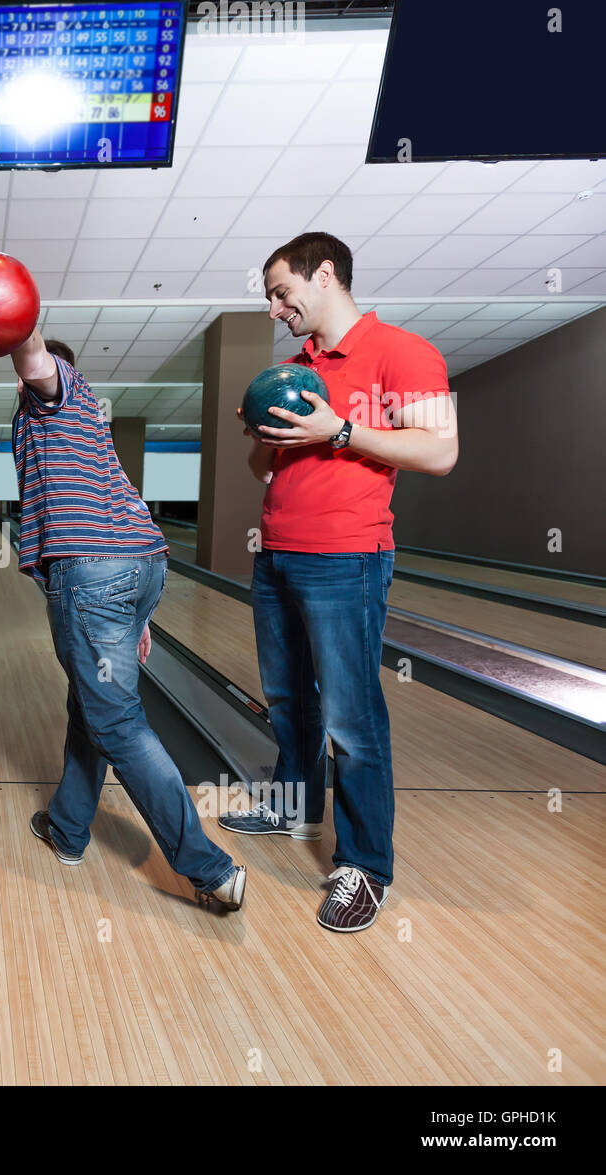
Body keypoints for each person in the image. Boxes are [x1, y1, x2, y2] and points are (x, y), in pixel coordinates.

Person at [220, 231, 458, 932]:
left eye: (280, 292)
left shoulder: (403, 351)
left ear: (324, 275)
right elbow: (264, 470)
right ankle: (293, 808)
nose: (274, 308)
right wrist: (260, 432)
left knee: (351, 719)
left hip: (347, 558)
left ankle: (365, 865)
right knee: (289, 700)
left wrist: (341, 430)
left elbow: (440, 451)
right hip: (277, 553)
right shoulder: (293, 369)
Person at [11, 332, 246, 910]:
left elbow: (35, 359)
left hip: (93, 573)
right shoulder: (83, 420)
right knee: (90, 703)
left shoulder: (56, 390)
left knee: (116, 723)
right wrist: (137, 616)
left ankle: (209, 869)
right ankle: (68, 828)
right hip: (138, 566)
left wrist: (7, 319)